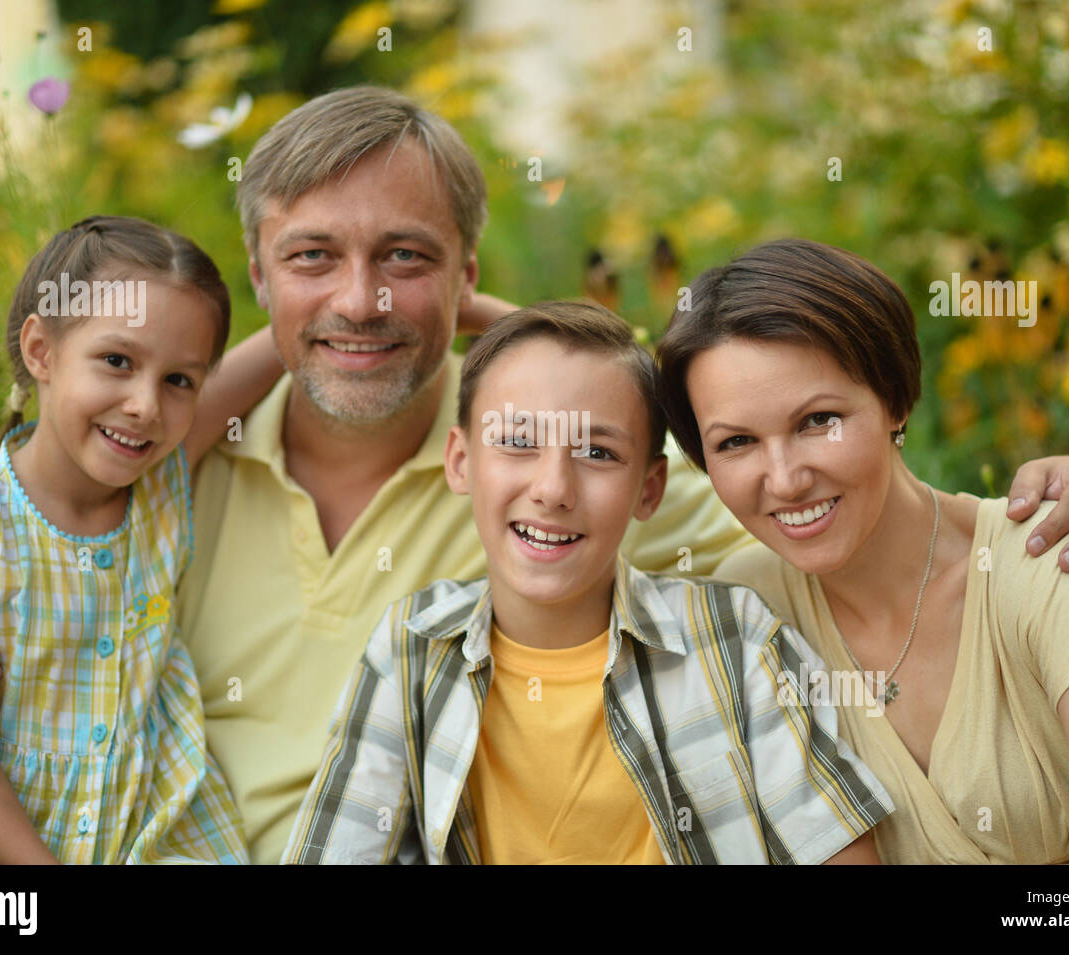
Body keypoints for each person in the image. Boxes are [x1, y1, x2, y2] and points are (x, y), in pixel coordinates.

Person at [0, 88, 1069, 865]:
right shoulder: (166, 465)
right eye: (313, 256)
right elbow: (8, 565)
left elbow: (806, 488)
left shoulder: (567, 488)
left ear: (467, 269)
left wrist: (1061, 496)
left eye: (409, 258)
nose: (364, 300)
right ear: (255, 274)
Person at [284, 301, 892, 864]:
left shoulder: (733, 639)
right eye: (518, 443)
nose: (553, 489)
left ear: (649, 489)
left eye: (598, 453)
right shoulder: (411, 647)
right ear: (461, 462)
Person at [654, 237, 1069, 863]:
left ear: (896, 401)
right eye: (736, 441)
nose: (786, 478)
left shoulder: (1051, 554)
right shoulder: (746, 610)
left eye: (818, 420)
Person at [0, 216, 281, 863]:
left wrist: (467, 312)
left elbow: (287, 341)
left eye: (179, 380)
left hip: (147, 829)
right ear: (41, 351)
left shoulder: (162, 482)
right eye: (117, 361)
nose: (146, 406)